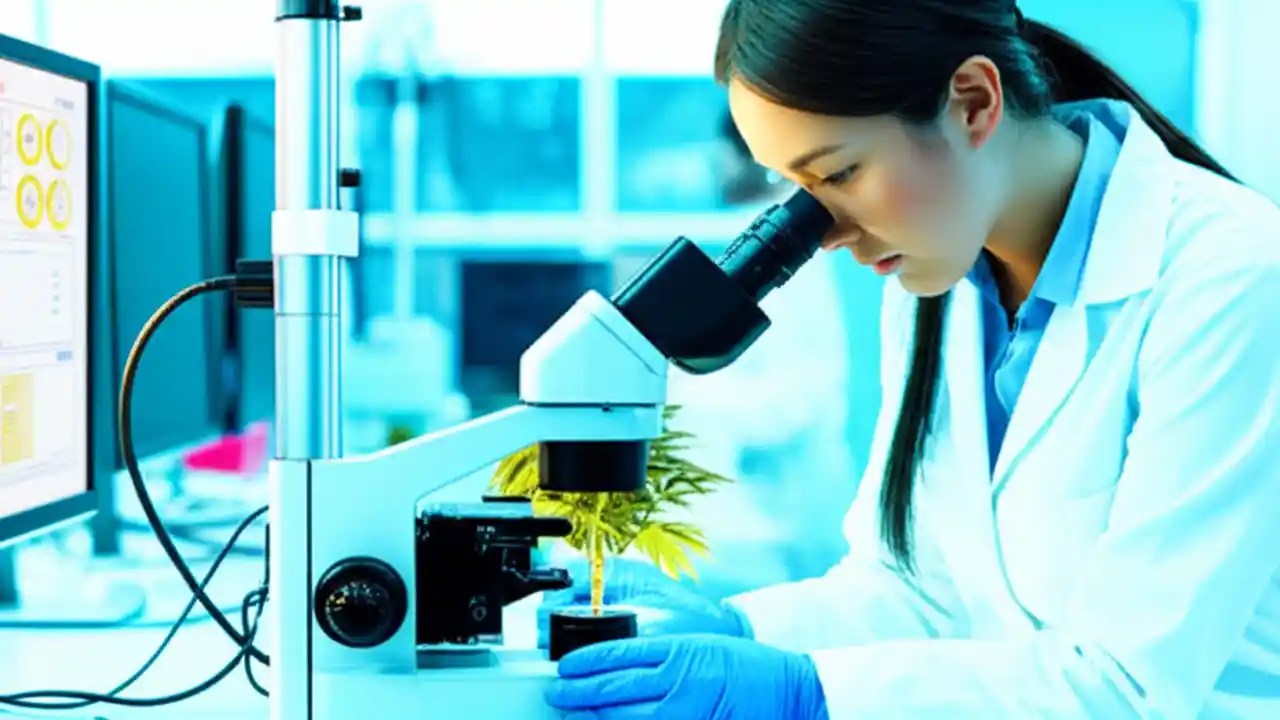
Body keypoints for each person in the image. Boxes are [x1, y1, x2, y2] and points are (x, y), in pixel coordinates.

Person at [539, 1, 1280, 718]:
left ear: (972, 102)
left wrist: (809, 693)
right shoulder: (940, 279)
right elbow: (919, 592)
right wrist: (738, 629)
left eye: (837, 175)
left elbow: (1128, 688)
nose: (823, 233)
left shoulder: (1232, 276)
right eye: (793, 189)